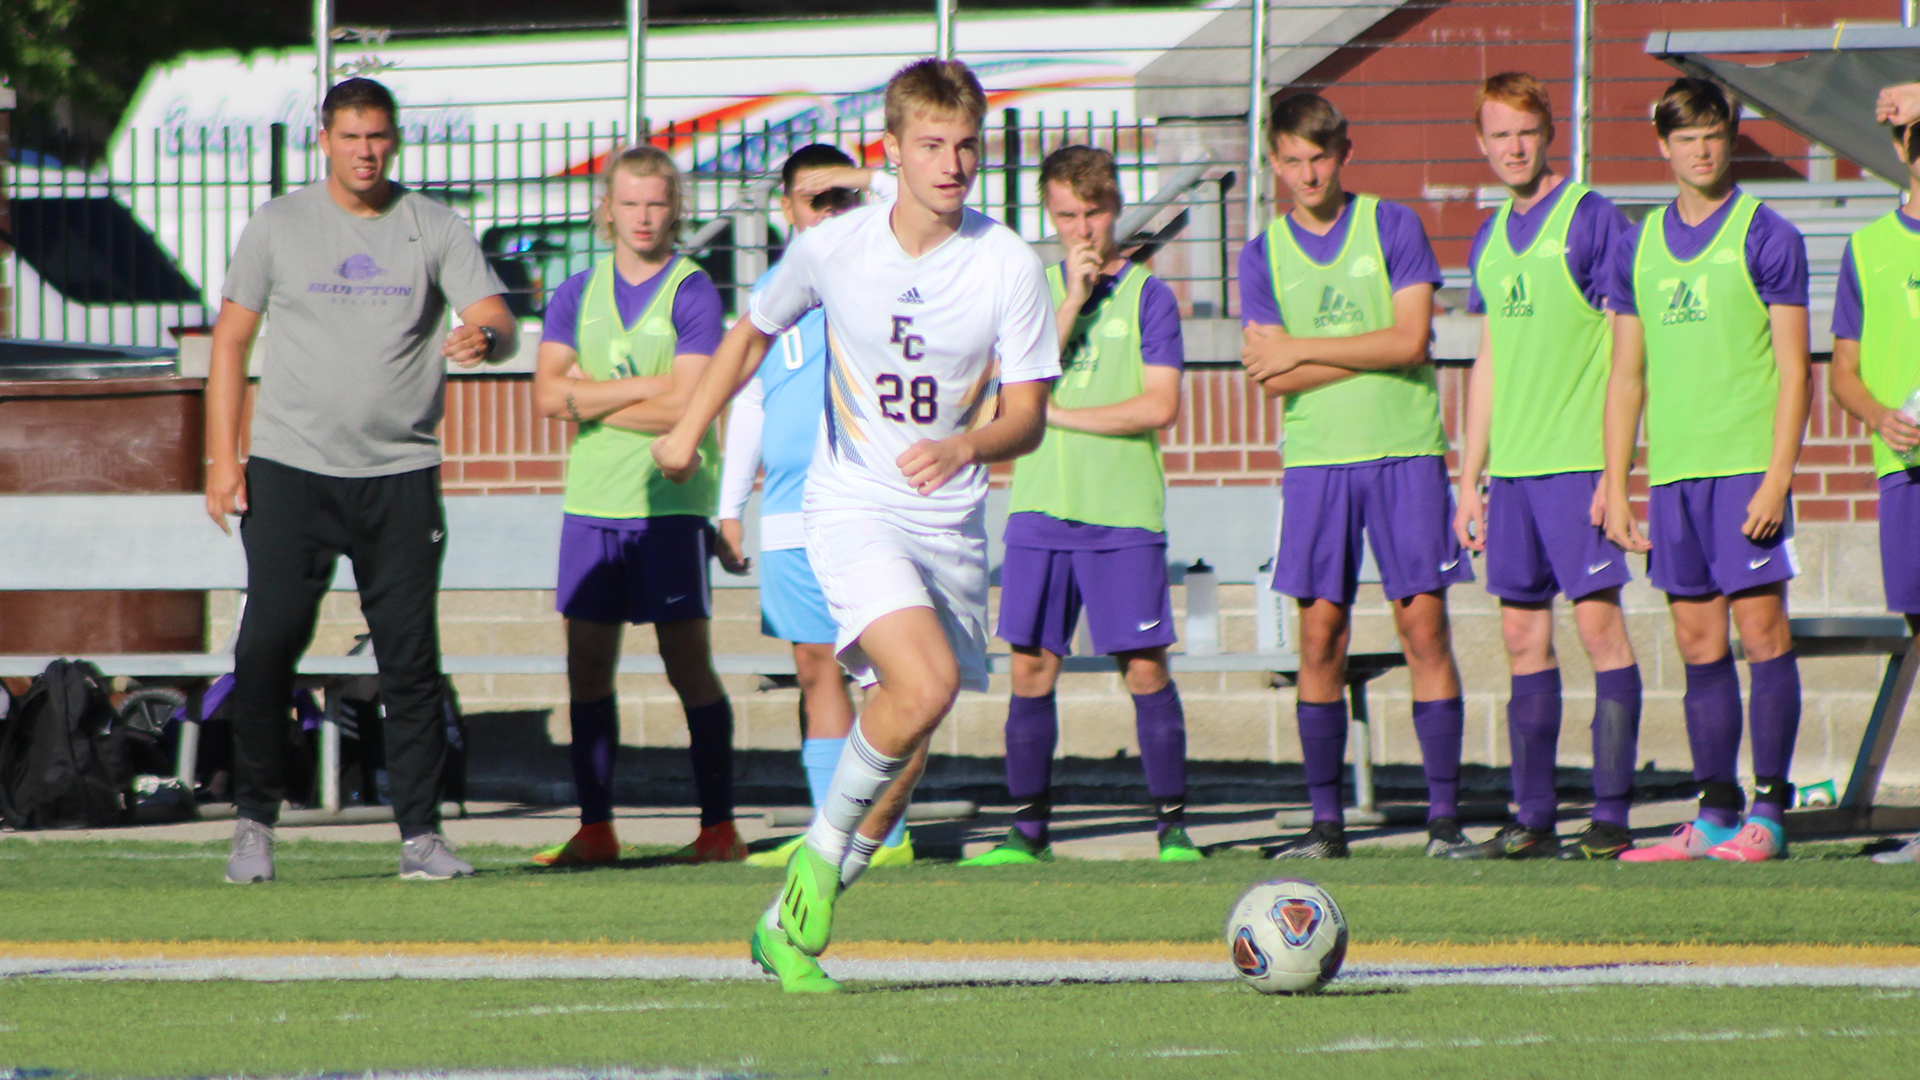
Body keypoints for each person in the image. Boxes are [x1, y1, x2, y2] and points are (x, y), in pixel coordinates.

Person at [652, 57, 1059, 991]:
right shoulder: (837, 246)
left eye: (966, 146)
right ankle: (815, 860)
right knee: (924, 681)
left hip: (950, 524)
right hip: (852, 505)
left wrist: (968, 445)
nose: (952, 164)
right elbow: (750, 330)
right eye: (932, 146)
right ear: (892, 153)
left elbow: (1029, 414)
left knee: (907, 744)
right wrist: (687, 428)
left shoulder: (1006, 262)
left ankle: (787, 928)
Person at [205, 77, 518, 883]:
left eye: (378, 137)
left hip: (399, 475)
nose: (366, 152)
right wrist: (222, 461)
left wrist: (483, 335)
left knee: (410, 657)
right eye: (351, 138)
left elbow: (497, 314)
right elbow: (230, 345)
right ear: (325, 140)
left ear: (396, 139)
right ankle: (252, 825)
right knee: (266, 644)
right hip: (290, 471)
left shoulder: (433, 225)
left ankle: (421, 837)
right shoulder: (278, 224)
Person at [1239, 91, 1474, 859]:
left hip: (1404, 450)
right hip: (1316, 462)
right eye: (1293, 161)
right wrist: (1316, 359)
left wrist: (1302, 350)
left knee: (1422, 626)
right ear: (1275, 163)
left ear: (1344, 153)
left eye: (1320, 157)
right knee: (1319, 635)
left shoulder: (1392, 224)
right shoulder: (1262, 251)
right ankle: (1325, 825)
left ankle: (1444, 820)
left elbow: (1411, 341)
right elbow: (1267, 380)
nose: (1308, 174)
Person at [958, 144, 1196, 866]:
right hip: (1039, 511)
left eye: (1093, 214)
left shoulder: (1150, 295)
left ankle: (1173, 829)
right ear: (1050, 215)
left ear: (1115, 209)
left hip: (1122, 513)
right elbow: (1011, 392)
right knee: (1030, 669)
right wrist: (1069, 303)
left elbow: (1160, 406)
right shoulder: (1033, 289)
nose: (1082, 231)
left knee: (1145, 668)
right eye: (1067, 215)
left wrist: (1058, 417)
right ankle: (1027, 835)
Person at [1600, 77, 1811, 863]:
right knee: (1696, 640)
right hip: (1675, 477)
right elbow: (1626, 377)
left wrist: (1777, 478)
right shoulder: (1638, 243)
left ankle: (1771, 810)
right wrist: (1616, 484)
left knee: (1761, 631)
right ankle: (1716, 810)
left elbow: (1797, 372)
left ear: (1730, 137)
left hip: (1744, 467)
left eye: (1713, 134)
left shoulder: (1767, 233)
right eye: (1685, 137)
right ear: (1663, 145)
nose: (1700, 148)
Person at [527, 145, 741, 866]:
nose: (644, 216)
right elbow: (544, 394)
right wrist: (647, 394)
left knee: (689, 668)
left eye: (657, 202)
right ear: (606, 210)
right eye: (631, 203)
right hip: (591, 505)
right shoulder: (573, 291)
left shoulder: (693, 289)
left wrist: (589, 401)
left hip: (669, 506)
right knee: (587, 670)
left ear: (675, 209)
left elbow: (690, 404)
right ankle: (596, 828)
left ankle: (719, 828)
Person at [1450, 73, 1642, 861]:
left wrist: (1616, 471)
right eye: (1498, 135)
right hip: (1516, 478)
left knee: (1601, 635)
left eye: (1525, 132)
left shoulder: (1591, 220)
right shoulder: (1490, 238)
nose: (1512, 148)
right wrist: (1470, 477)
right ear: (1481, 142)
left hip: (1576, 469)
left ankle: (1611, 817)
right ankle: (1531, 821)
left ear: (1548, 132)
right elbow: (1489, 361)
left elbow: (1631, 345)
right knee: (1523, 643)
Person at [716, 145, 912, 871]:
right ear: (786, 211)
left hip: (866, 508)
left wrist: (861, 181)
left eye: (839, 199)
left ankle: (885, 833)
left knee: (884, 675)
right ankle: (828, 834)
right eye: (812, 199)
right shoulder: (774, 292)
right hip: (791, 519)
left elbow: (920, 194)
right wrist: (729, 506)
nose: (827, 211)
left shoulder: (882, 273)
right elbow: (749, 400)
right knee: (814, 670)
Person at [1827, 115, 1920, 866]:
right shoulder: (1865, 249)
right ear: (1900, 149)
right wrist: (1881, 419)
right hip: (1905, 473)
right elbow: (1843, 371)